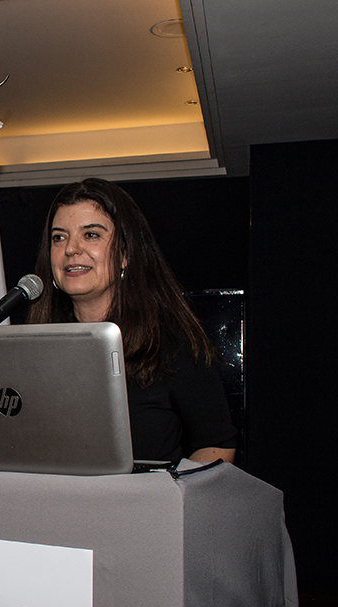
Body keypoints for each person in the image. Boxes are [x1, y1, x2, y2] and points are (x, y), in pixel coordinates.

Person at [26, 178, 236, 465]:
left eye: (91, 235)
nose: (71, 249)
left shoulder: (173, 345)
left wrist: (167, 500)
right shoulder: (31, 347)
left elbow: (217, 445)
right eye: (58, 237)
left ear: (125, 253)